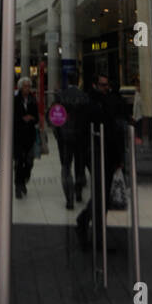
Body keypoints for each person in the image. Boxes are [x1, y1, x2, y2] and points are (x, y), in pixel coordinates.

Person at [76, 75, 128, 249]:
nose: (105, 88)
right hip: (97, 153)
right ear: (95, 85)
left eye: (107, 85)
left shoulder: (109, 101)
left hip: (109, 155)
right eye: (102, 85)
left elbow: (116, 129)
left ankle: (87, 223)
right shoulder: (92, 103)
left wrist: (119, 157)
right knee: (100, 195)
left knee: (103, 195)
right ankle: (96, 234)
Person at [53, 72, 90, 208]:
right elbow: (88, 118)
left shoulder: (61, 96)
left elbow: (54, 116)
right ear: (78, 80)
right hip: (80, 137)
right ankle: (78, 191)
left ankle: (69, 198)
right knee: (80, 166)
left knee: (66, 167)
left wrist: (58, 133)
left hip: (65, 137)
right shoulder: (84, 97)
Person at [13, 77, 39, 199]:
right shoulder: (15, 100)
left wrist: (32, 118)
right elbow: (11, 116)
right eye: (25, 86)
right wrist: (22, 119)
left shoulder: (33, 100)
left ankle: (23, 179)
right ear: (20, 87)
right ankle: (18, 186)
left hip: (30, 135)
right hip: (18, 135)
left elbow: (37, 117)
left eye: (29, 86)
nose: (27, 89)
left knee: (29, 162)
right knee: (19, 162)